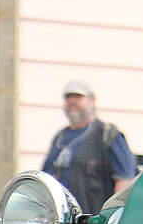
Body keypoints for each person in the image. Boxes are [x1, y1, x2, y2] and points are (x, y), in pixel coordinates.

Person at [43, 81, 137, 214]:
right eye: (68, 97)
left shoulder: (108, 135)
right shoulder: (60, 137)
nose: (72, 101)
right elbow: (46, 177)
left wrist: (110, 218)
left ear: (92, 100)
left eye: (78, 97)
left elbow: (124, 180)